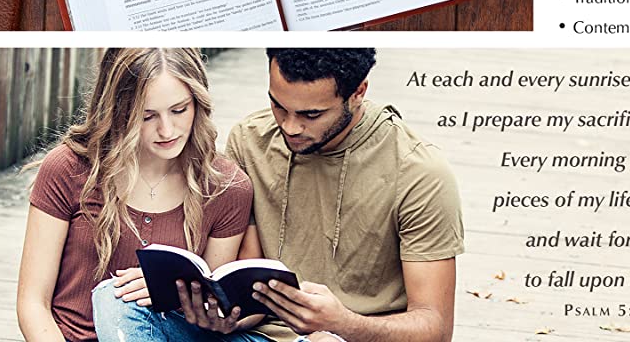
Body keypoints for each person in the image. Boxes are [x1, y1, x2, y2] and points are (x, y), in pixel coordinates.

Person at [187, 48, 463, 342]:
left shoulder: (418, 172)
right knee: (135, 313)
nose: (290, 127)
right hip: (256, 336)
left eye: (312, 114)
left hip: (354, 338)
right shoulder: (249, 140)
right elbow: (251, 285)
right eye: (278, 105)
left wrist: (344, 324)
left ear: (358, 92)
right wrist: (224, 316)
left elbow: (436, 328)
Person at [16, 48, 265, 342]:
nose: (167, 130)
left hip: (163, 335)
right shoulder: (68, 169)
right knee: (115, 297)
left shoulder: (226, 186)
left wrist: (186, 298)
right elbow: (33, 303)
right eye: (147, 116)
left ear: (198, 103)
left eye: (179, 110)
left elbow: (213, 307)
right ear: (117, 111)